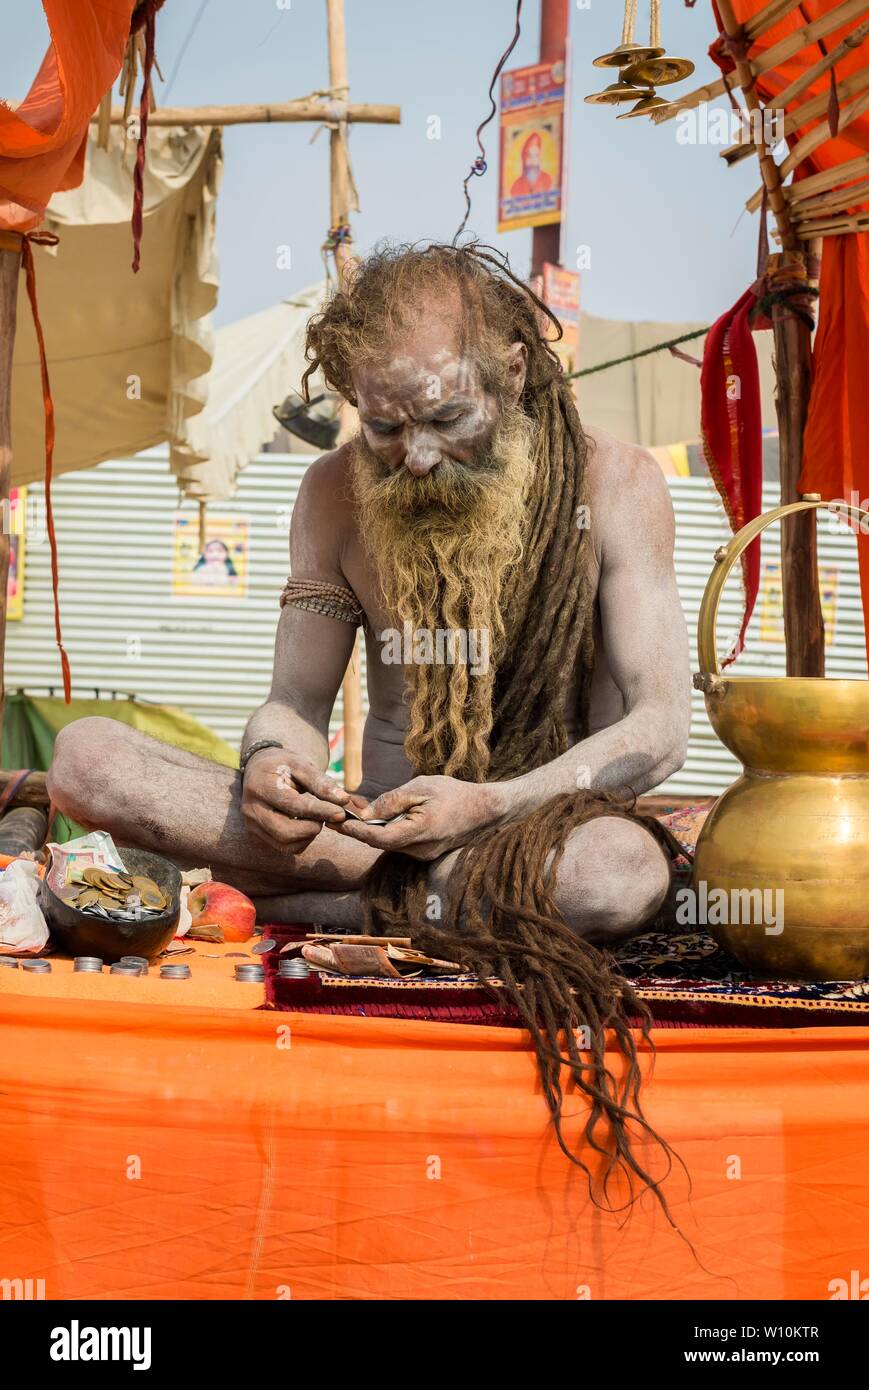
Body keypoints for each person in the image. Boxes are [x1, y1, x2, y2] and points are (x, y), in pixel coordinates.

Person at [48, 243, 691, 1215]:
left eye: (445, 419)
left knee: (620, 872)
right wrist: (274, 762)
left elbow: (660, 726)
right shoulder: (333, 492)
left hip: (533, 832)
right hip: (355, 832)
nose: (417, 455)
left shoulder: (614, 484)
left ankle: (309, 903)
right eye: (385, 426)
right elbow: (297, 704)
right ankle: (388, 899)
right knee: (83, 756)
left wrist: (489, 802)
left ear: (512, 373)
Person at [509, 131, 552, 197]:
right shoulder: (516, 187)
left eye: (535, 156)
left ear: (539, 158)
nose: (532, 161)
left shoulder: (547, 180)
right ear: (524, 158)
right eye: (529, 156)